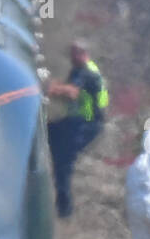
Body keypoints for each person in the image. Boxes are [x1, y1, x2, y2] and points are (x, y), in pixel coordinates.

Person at [45, 41, 109, 217]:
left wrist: (47, 87)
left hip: (87, 125)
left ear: (82, 53)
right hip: (75, 122)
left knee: (64, 161)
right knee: (48, 132)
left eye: (74, 54)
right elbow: (68, 95)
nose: (71, 58)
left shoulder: (87, 71)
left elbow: (71, 92)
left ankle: (64, 210)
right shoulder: (77, 70)